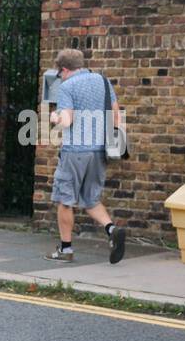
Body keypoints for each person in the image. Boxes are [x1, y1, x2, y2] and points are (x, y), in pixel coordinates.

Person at [46, 48, 127, 264]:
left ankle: (65, 249)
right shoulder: (102, 81)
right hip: (99, 150)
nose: (60, 77)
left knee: (65, 200)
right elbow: (116, 114)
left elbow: (67, 120)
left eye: (59, 74)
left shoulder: (67, 86)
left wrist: (55, 117)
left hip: (75, 151)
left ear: (64, 70)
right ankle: (112, 230)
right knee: (91, 198)